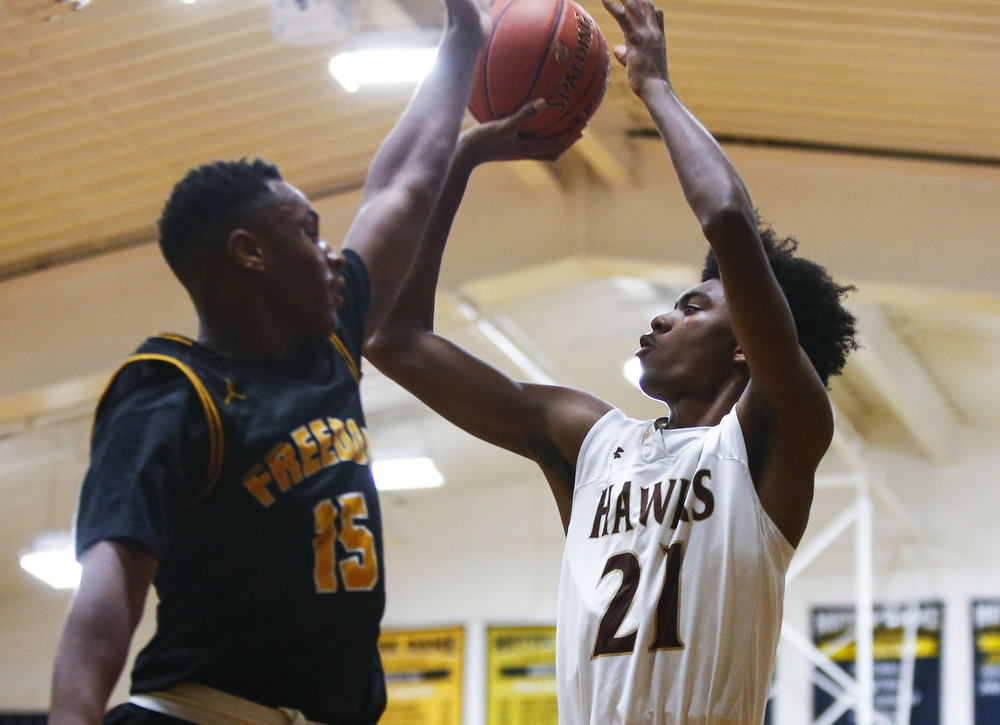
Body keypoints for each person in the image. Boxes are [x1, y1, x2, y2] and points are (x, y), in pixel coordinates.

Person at [364, 0, 860, 723]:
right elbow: (393, 339)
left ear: (749, 343)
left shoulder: (774, 437)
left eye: (694, 308)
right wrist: (463, 156)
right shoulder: (590, 438)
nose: (660, 316)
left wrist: (655, 86)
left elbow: (726, 219)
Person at [45, 0, 531, 722]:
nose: (333, 250)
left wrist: (464, 38)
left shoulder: (328, 344)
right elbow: (110, 587)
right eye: (309, 230)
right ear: (250, 253)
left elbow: (403, 186)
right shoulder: (173, 393)